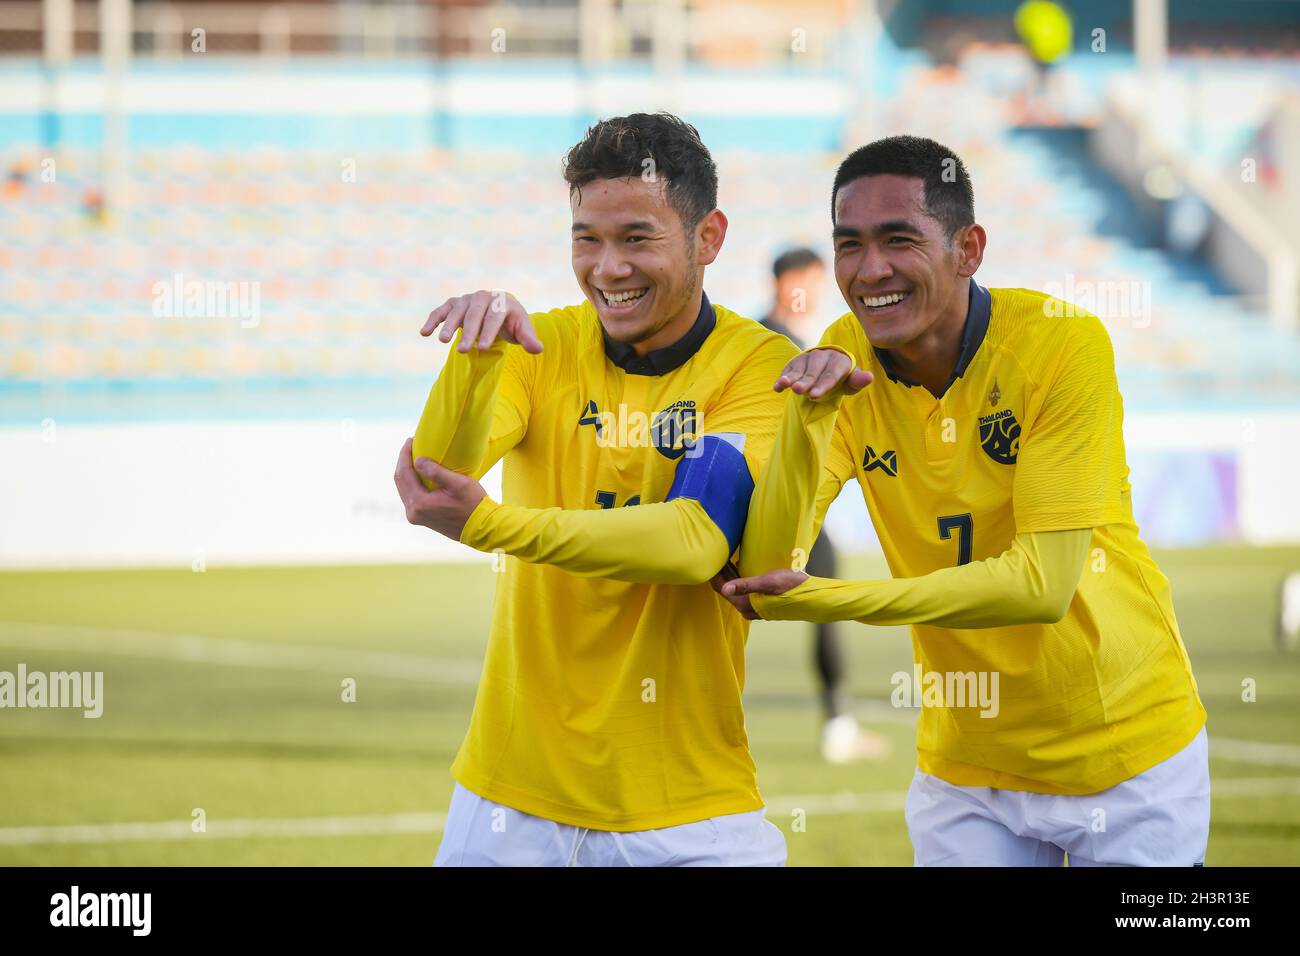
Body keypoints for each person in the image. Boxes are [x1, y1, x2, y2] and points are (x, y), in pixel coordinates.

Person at [723, 135, 1209, 866]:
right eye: (848, 244)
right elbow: (769, 558)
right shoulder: (840, 354)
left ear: (968, 248)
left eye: (898, 239)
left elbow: (1041, 585)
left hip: (1123, 747)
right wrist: (806, 421)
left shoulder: (1061, 345)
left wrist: (827, 597)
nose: (869, 269)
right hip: (965, 766)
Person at [392, 112, 798, 866]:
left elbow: (692, 541)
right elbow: (434, 478)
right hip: (507, 803)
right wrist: (474, 360)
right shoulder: (537, 348)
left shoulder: (759, 368)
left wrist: (493, 525)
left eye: (636, 238)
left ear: (708, 238)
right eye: (587, 238)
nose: (607, 268)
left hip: (688, 816)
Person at [760, 248, 890, 764]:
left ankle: (840, 726)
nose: (818, 290)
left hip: (769, 502)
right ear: (791, 280)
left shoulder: (765, 337)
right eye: (814, 279)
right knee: (823, 594)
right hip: (779, 507)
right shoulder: (776, 344)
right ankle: (839, 728)